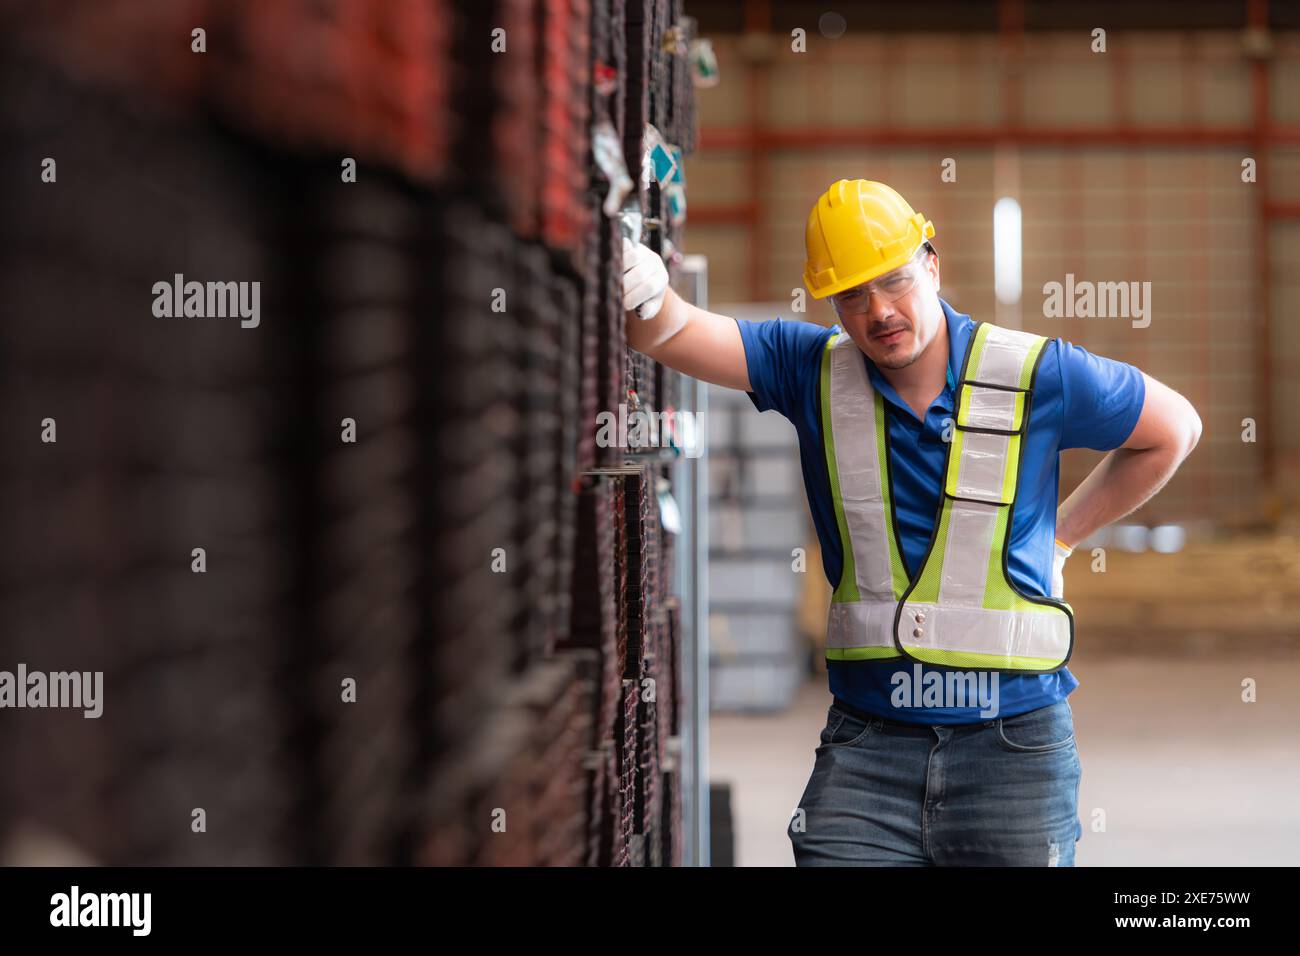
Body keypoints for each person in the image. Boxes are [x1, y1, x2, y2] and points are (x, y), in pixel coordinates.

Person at [621, 178, 1201, 866]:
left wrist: (1064, 538)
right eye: (853, 295)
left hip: (1014, 747)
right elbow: (673, 332)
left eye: (893, 281)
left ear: (931, 262)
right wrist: (648, 292)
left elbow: (1173, 428)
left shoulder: (1035, 373)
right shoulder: (805, 368)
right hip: (868, 749)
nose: (879, 311)